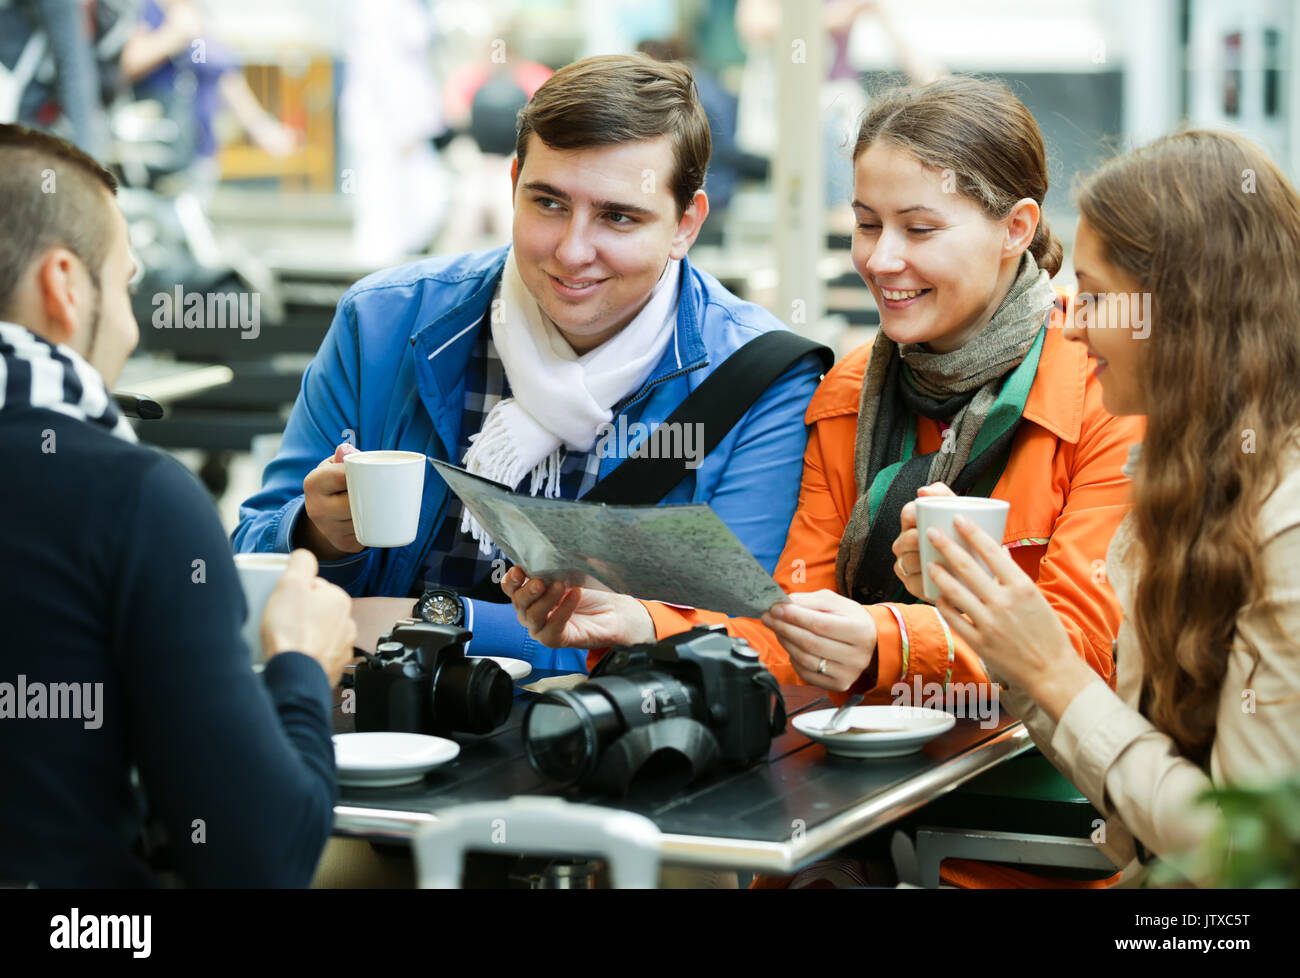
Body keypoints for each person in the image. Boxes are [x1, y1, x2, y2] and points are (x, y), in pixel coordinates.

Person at [501, 77, 1145, 887]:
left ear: (1016, 228)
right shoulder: (847, 392)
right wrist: (639, 622)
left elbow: (1085, 651)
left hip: (1027, 844)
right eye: (867, 224)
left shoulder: (1106, 392)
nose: (881, 259)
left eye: (919, 228)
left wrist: (886, 642)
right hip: (840, 828)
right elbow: (786, 622)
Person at [233, 54, 826, 673]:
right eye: (547, 203)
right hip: (379, 728)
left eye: (618, 216)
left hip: (613, 745)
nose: (572, 251)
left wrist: (439, 623)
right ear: (513, 182)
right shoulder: (385, 322)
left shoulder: (759, 375)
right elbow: (250, 558)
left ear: (686, 225)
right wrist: (318, 534)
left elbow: (740, 640)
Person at [922, 129, 1300, 887]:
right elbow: (1131, 796)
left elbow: (1253, 854)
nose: (1070, 322)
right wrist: (998, 632)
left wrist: (1056, 670)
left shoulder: (1283, 520)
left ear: (1182, 312)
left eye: (1094, 295)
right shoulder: (1186, 480)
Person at [0, 123, 355, 887]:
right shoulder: (130, 497)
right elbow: (260, 859)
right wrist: (301, 665)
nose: (129, 327)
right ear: (65, 286)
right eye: (126, 287)